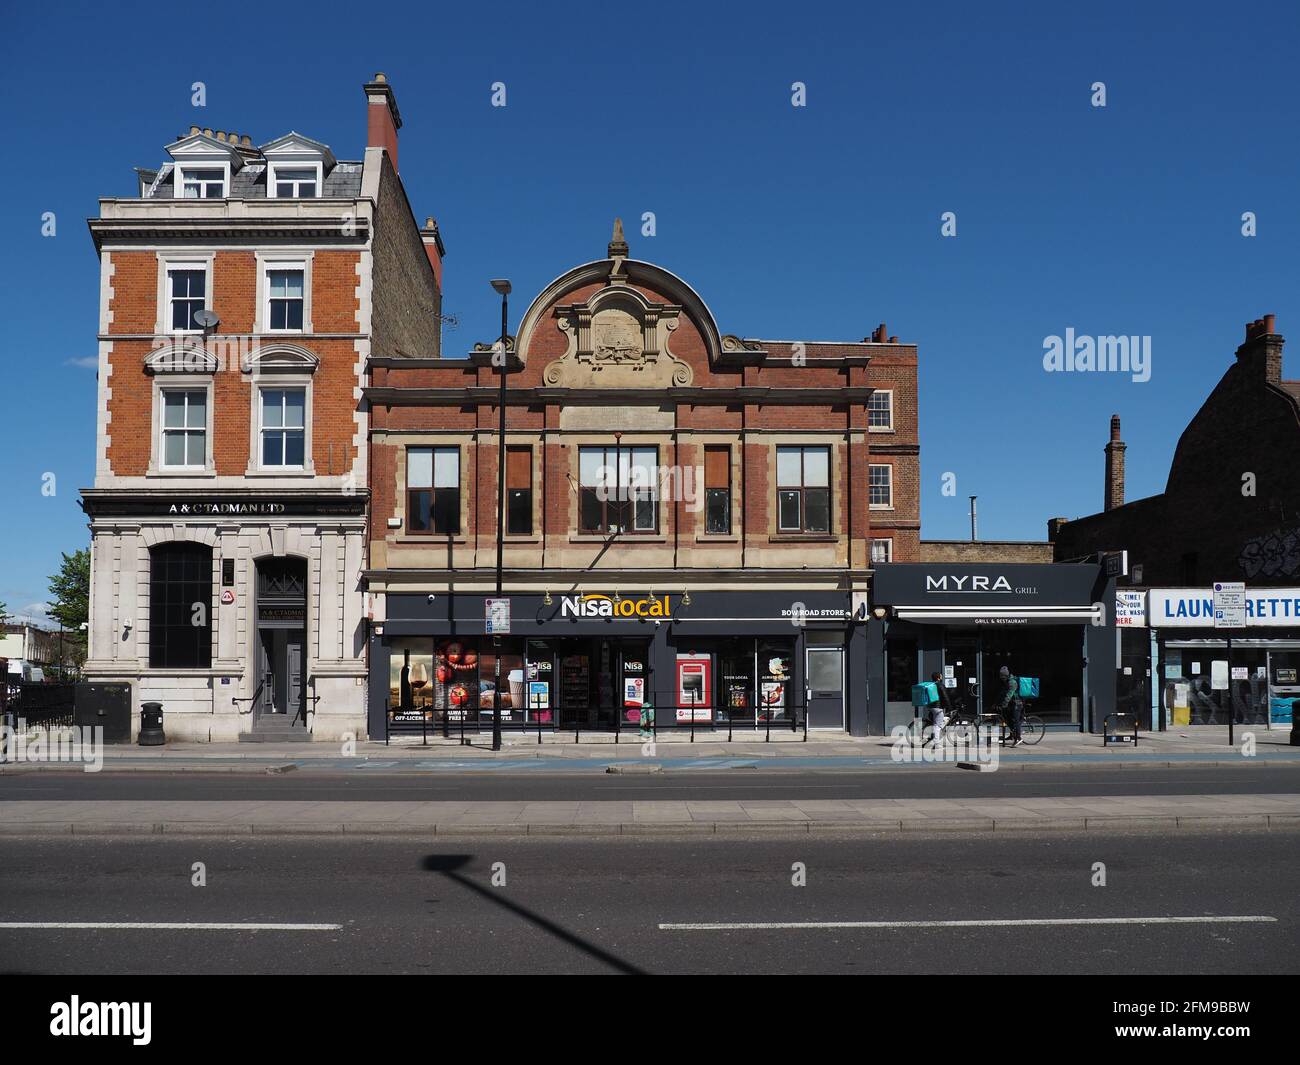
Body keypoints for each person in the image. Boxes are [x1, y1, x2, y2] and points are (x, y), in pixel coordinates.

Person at [996, 665, 1023, 747]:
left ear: (1006, 675)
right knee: (1007, 718)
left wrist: (1004, 704)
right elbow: (1002, 693)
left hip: (1017, 703)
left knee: (1015, 721)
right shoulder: (1006, 681)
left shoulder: (1012, 682)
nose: (1001, 677)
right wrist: (996, 702)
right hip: (1011, 703)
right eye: (1000, 675)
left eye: (1002, 676)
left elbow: (1009, 695)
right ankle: (1012, 735)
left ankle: (1018, 738)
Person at [925, 671, 954, 746]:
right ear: (938, 677)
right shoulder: (940, 685)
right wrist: (950, 708)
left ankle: (933, 737)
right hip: (938, 707)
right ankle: (936, 744)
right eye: (941, 676)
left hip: (931, 706)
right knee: (937, 726)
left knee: (936, 723)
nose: (941, 677)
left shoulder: (931, 685)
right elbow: (945, 697)